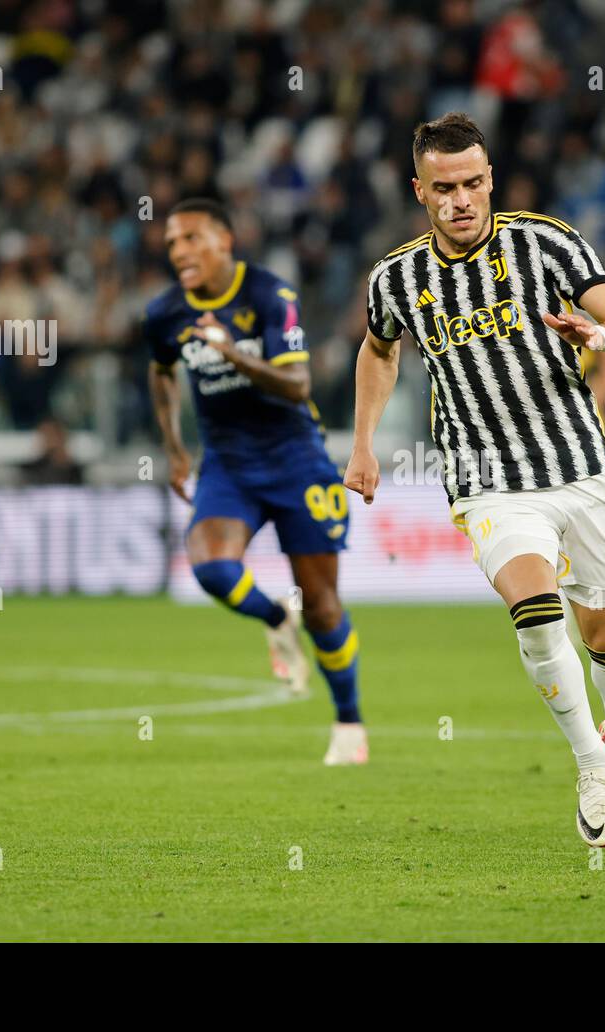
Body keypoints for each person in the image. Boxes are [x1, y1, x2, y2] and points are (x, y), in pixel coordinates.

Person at [344, 113, 605, 845]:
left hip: (579, 465)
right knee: (535, 605)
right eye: (444, 188)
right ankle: (590, 766)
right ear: (420, 191)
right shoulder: (398, 276)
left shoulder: (547, 242)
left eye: (474, 183)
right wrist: (362, 443)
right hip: (487, 478)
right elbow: (378, 351)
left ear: (491, 180)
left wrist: (599, 335)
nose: (461, 200)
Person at [143, 198, 366, 765]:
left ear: (224, 240)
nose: (180, 252)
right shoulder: (165, 312)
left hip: (296, 460)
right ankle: (274, 617)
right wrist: (173, 449)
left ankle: (348, 722)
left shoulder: (270, 295)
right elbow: (162, 369)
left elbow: (296, 384)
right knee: (213, 570)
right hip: (228, 465)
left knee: (321, 604)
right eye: (172, 243)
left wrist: (229, 353)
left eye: (191, 238)